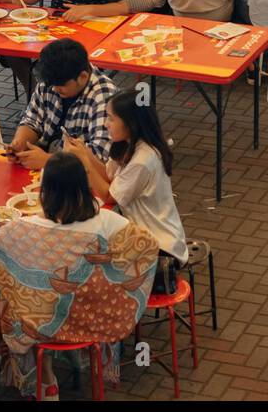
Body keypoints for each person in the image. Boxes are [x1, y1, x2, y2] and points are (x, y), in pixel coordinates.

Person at [0, 150, 156, 397]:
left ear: (45, 192)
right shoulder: (107, 221)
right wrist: (108, 269)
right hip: (92, 318)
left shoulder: (26, 226)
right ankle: (50, 374)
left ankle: (44, 378)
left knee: (13, 295)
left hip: (42, 324)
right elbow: (147, 245)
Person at [71, 90, 188, 288]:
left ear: (131, 123)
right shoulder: (130, 145)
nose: (105, 124)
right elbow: (109, 176)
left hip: (161, 249)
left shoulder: (144, 159)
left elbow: (109, 196)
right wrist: (86, 153)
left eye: (111, 118)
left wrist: (84, 162)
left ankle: (114, 314)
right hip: (143, 238)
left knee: (87, 263)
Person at [8, 39, 116, 170]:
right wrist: (19, 143)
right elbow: (32, 120)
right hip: (45, 163)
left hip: (79, 177)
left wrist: (48, 161)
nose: (54, 89)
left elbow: (100, 157)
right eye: (51, 85)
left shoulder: (104, 96)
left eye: (61, 86)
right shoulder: (52, 81)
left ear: (82, 77)